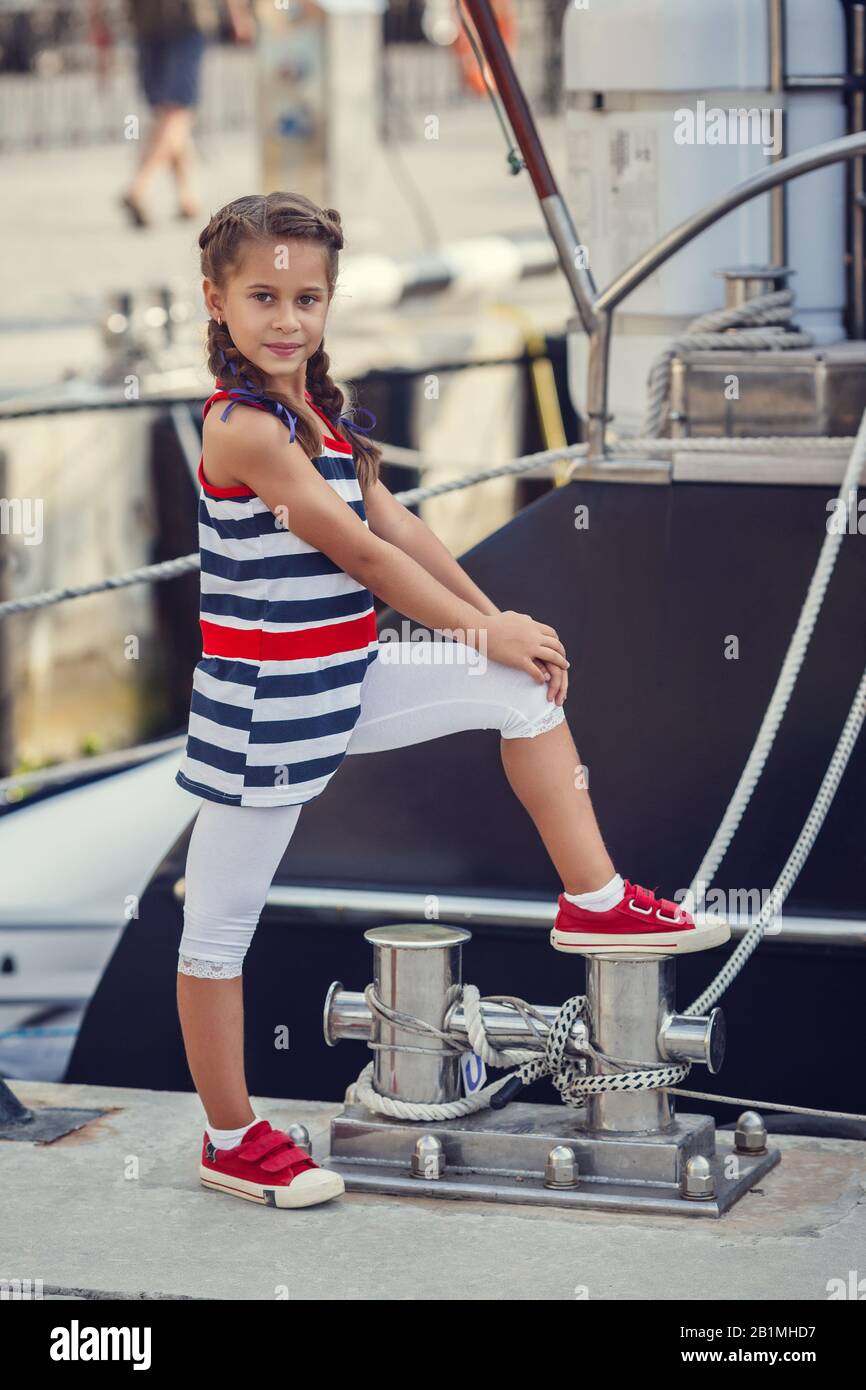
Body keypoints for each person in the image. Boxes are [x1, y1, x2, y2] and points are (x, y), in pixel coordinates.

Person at [175, 191, 729, 1210]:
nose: (287, 318)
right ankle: (227, 1134)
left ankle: (595, 902)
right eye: (263, 297)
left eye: (306, 297)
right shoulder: (243, 430)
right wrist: (483, 632)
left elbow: (402, 523)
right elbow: (360, 553)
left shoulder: (320, 416)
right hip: (265, 715)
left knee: (520, 693)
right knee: (214, 935)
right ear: (216, 300)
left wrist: (497, 623)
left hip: (340, 676)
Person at [88, 0, 256, 227]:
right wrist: (239, 15)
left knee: (172, 112)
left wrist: (97, 20)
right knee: (174, 113)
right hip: (170, 22)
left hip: (161, 22)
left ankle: (178, 195)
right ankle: (141, 189)